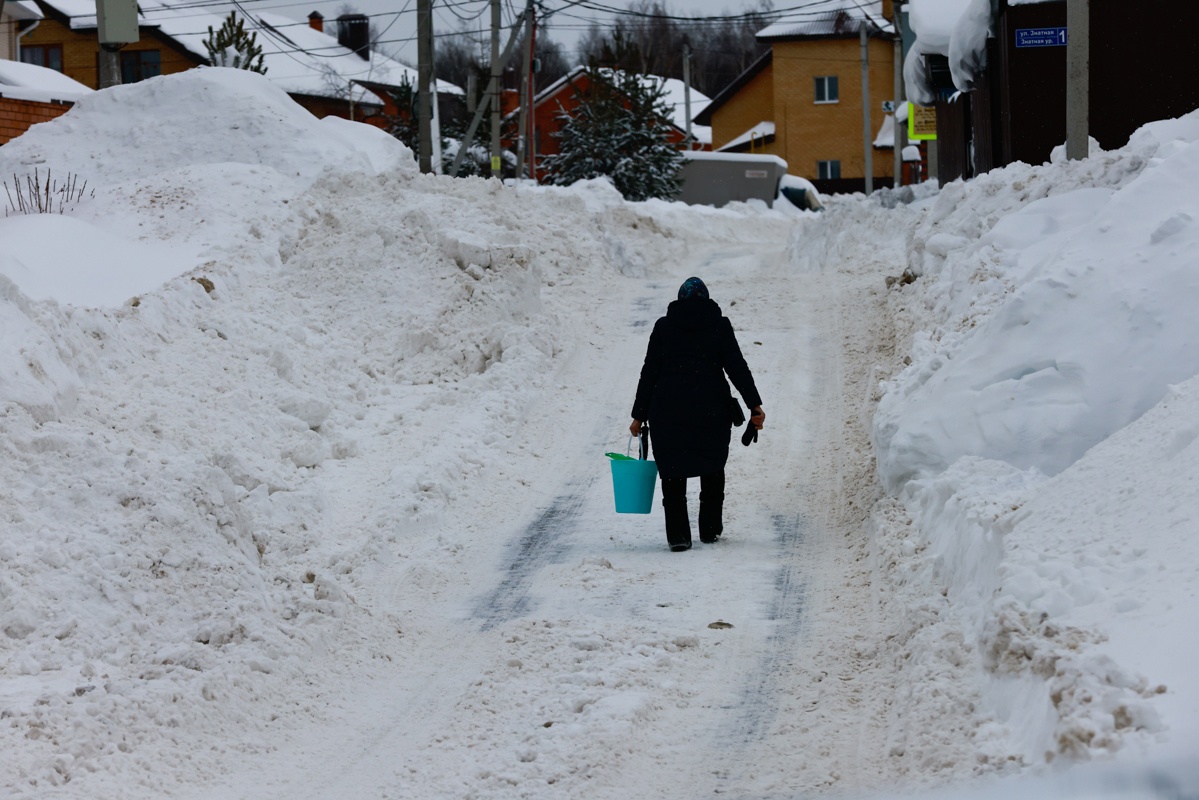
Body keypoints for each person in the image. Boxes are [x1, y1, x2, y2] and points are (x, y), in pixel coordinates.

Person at [629, 277, 764, 552]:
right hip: (711, 409)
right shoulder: (719, 326)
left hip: (667, 410)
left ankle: (679, 536)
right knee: (712, 464)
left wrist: (638, 415)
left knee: (673, 469)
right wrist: (754, 405)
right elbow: (737, 367)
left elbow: (649, 373)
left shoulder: (664, 328)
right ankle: (710, 530)